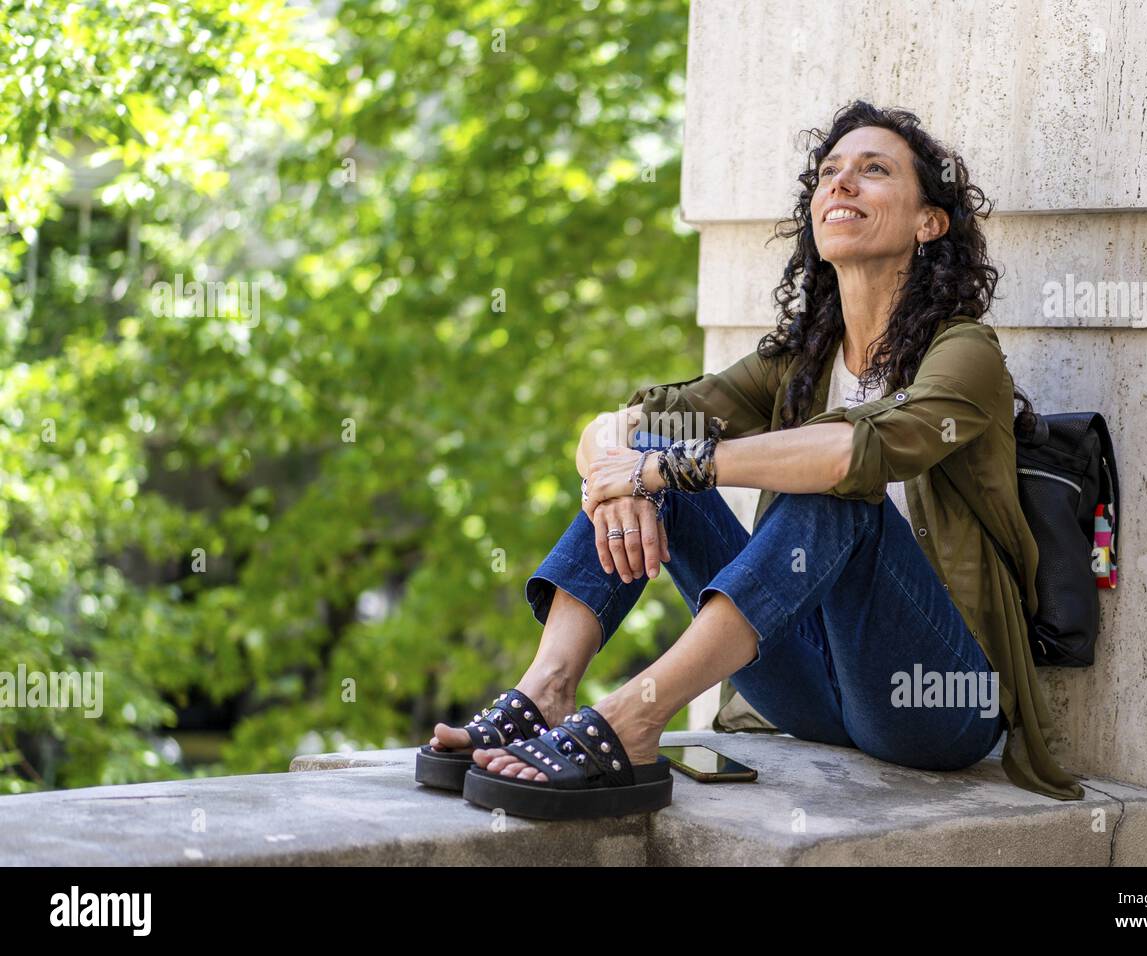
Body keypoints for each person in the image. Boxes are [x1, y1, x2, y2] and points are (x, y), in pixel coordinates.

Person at [426, 101, 1084, 819]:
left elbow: (850, 454)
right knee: (645, 453)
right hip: (806, 690)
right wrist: (615, 481)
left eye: (874, 171)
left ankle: (632, 718)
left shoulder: (966, 355)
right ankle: (545, 689)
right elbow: (617, 426)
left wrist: (665, 470)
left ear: (929, 223)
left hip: (933, 698)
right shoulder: (799, 364)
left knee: (831, 483)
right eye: (830, 174)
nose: (842, 185)